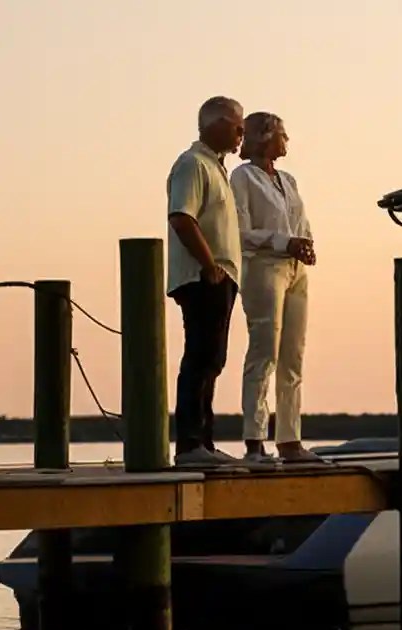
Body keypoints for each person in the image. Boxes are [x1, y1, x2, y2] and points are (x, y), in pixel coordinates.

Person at [229, 111, 321, 463]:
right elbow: (239, 233)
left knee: (293, 355)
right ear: (266, 137)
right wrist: (284, 242)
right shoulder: (243, 178)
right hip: (264, 267)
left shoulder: (288, 180)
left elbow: (302, 221)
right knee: (264, 351)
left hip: (296, 270)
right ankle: (254, 440)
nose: (286, 141)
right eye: (282, 135)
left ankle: (290, 439)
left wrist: (306, 243)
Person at [167, 96, 246, 467]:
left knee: (213, 358)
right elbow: (182, 217)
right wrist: (209, 264)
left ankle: (205, 442)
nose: (241, 133)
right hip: (203, 276)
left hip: (221, 275)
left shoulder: (218, 169)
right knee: (201, 356)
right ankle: (189, 443)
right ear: (213, 124)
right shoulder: (193, 164)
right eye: (236, 125)